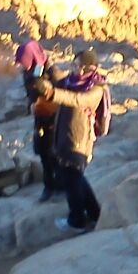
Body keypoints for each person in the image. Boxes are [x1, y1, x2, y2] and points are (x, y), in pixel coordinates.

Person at [31, 47, 108, 234]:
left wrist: (51, 94)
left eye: (77, 65)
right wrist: (46, 65)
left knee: (72, 179)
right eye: (73, 64)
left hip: (79, 140)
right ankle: (94, 212)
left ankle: (77, 220)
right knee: (75, 177)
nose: (74, 68)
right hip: (65, 135)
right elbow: (59, 81)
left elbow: (76, 100)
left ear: (87, 68)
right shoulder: (72, 81)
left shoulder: (95, 89)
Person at [31, 87, 60, 202]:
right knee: (47, 165)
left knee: (54, 163)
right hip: (43, 138)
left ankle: (57, 187)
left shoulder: (54, 103)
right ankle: (49, 187)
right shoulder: (38, 104)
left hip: (52, 136)